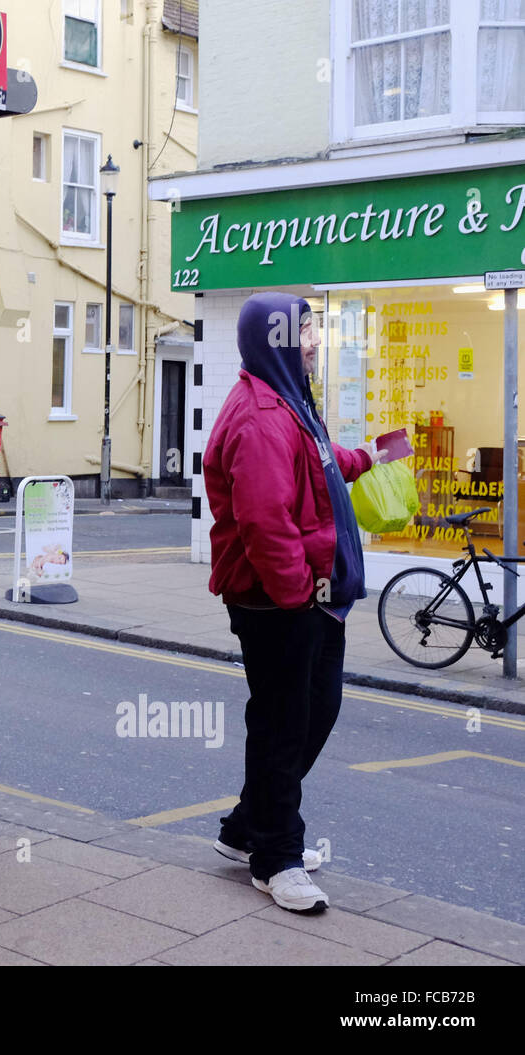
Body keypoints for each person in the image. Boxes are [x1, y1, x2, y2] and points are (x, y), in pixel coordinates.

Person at [203, 292, 387, 915]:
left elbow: (324, 467)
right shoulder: (260, 416)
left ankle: (244, 827)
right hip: (279, 602)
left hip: (315, 598)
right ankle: (276, 858)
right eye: (306, 331)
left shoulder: (292, 403)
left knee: (315, 713)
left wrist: (375, 457)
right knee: (283, 726)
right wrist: (296, 598)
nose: (314, 342)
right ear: (276, 339)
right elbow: (263, 522)